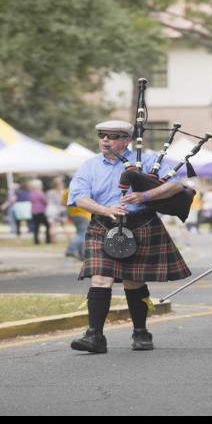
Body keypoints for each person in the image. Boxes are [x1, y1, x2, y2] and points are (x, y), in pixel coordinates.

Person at [67, 120, 192, 353]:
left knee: (134, 280)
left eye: (112, 136)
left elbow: (177, 185)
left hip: (140, 223)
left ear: (127, 140)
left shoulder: (147, 160)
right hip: (103, 225)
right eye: (102, 135)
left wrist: (145, 196)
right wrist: (106, 210)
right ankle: (94, 336)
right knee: (100, 278)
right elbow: (79, 198)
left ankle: (141, 332)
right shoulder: (89, 166)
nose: (105, 140)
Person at [64, 184, 91, 260]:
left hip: (73, 215)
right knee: (82, 234)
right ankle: (70, 250)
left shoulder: (67, 191)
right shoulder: (83, 189)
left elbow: (63, 203)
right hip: (84, 215)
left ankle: (82, 254)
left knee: (80, 233)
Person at [46, 176, 71, 243]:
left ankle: (53, 241)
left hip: (51, 209)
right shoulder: (64, 192)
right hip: (61, 209)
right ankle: (70, 239)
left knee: (52, 226)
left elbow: (47, 201)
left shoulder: (49, 192)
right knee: (65, 225)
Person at [28, 179, 50, 245]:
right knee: (47, 225)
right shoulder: (40, 193)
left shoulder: (31, 193)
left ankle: (36, 240)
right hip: (41, 211)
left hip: (34, 211)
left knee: (36, 226)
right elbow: (45, 201)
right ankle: (48, 239)